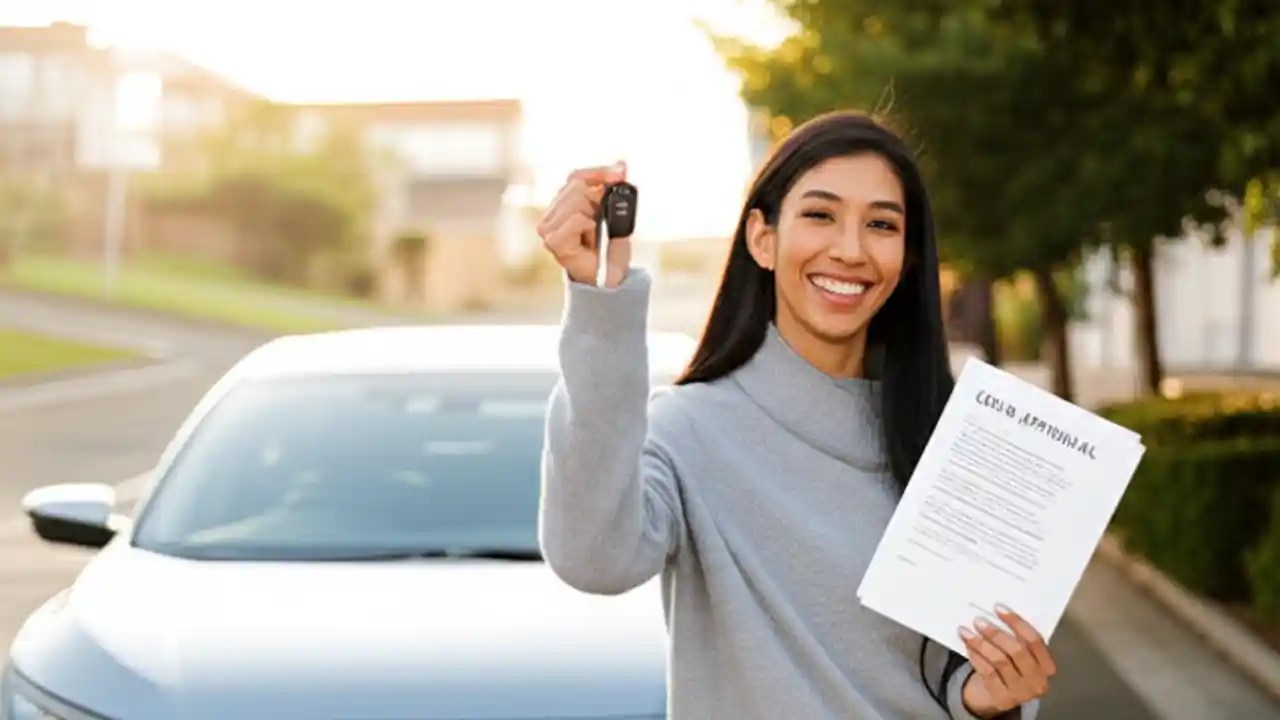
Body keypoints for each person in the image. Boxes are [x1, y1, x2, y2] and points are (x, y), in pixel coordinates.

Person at [536, 110, 1056, 719]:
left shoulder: (955, 439)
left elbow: (957, 670)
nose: (850, 250)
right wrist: (601, 304)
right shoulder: (691, 431)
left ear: (909, 258)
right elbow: (592, 558)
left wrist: (983, 700)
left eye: (881, 225)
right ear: (762, 237)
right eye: (819, 215)